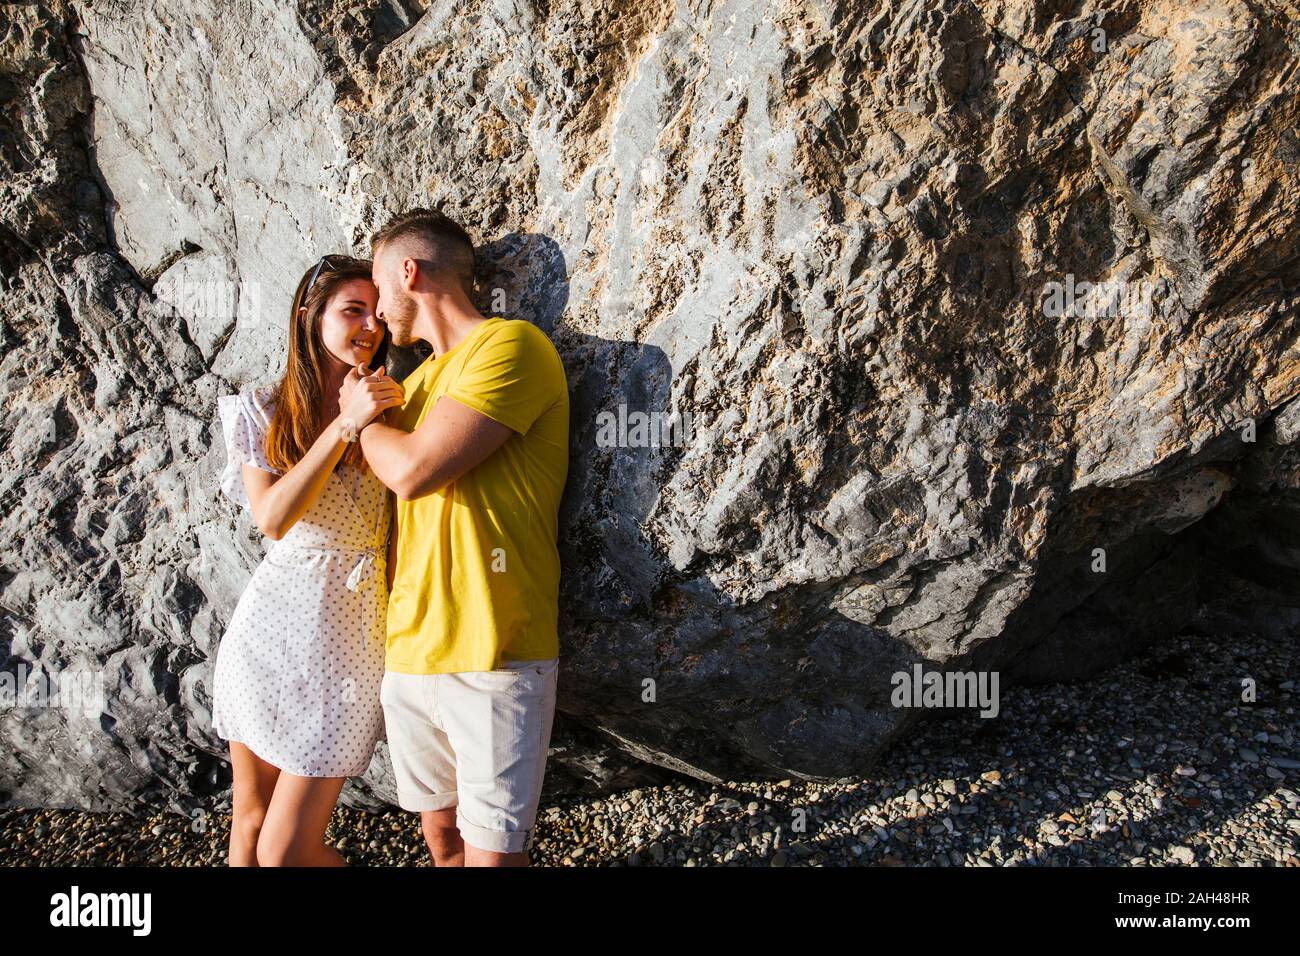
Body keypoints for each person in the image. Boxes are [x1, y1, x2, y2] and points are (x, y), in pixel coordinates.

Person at [343, 208, 569, 866]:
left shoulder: (512, 347)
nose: (378, 315)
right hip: (411, 654)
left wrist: (359, 421)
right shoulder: (406, 390)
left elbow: (414, 472)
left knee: (493, 857)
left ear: (409, 272)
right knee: (442, 843)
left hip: (496, 650)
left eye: (379, 291)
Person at [211, 254, 405, 866]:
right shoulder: (260, 410)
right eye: (352, 310)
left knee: (287, 853)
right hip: (267, 634)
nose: (370, 326)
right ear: (308, 315)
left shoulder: (392, 404)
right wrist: (343, 425)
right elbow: (271, 518)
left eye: (377, 313)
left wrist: (361, 417)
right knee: (249, 824)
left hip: (351, 641)